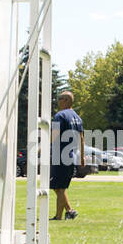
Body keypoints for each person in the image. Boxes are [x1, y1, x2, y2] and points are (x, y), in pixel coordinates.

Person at [50, 91, 84, 220]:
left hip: (60, 154)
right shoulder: (77, 117)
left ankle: (62, 214)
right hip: (71, 155)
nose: (58, 101)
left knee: (58, 187)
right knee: (60, 187)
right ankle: (67, 211)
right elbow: (81, 138)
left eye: (60, 98)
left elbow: (55, 135)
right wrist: (82, 158)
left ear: (66, 100)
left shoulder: (60, 115)